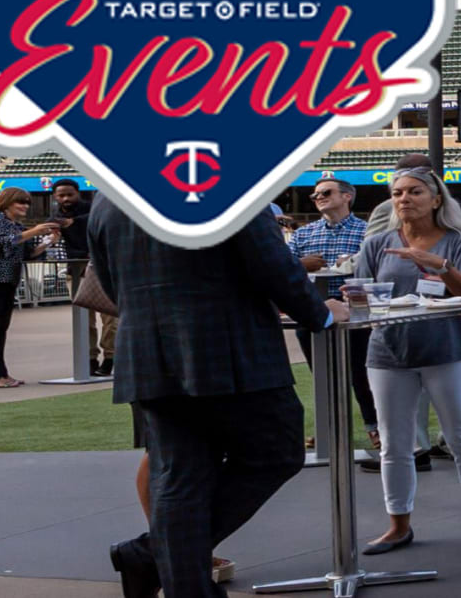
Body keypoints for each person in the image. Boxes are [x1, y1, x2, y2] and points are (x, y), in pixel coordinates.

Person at [93, 199, 346, 598]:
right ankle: (148, 553)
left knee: (181, 478)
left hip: (149, 354)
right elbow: (271, 265)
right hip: (229, 350)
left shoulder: (109, 193)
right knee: (277, 450)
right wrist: (323, 313)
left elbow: (109, 281)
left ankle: (161, 564)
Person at [345, 168, 461, 556]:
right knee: (394, 445)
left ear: (436, 199)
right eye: (397, 193)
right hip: (388, 353)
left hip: (449, 351)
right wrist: (354, 299)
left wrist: (437, 264)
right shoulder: (377, 243)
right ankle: (398, 525)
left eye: (414, 191)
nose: (404, 199)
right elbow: (363, 298)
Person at [288, 178, 380, 448]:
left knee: (361, 374)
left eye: (326, 192)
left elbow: (377, 268)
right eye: (315, 194)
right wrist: (301, 265)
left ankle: (374, 428)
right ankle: (328, 431)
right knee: (321, 376)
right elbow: (283, 269)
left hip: (354, 312)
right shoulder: (304, 234)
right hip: (312, 312)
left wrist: (352, 264)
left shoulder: (367, 232)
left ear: (347, 196)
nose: (318, 197)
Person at [0, 188, 59, 388]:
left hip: (7, 281)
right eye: (21, 202)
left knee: (0, 328)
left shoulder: (17, 226)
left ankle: (0, 373)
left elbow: (28, 254)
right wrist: (34, 231)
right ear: (8, 203)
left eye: (27, 203)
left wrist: (47, 242)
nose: (25, 207)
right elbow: (0, 244)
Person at [50, 179, 107, 375]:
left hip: (100, 265)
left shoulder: (93, 209)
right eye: (61, 195)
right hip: (74, 268)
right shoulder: (56, 216)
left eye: (69, 194)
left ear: (78, 193)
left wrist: (75, 222)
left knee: (110, 317)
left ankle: (110, 358)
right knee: (83, 318)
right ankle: (90, 358)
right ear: (55, 197)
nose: (65, 198)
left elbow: (97, 219)